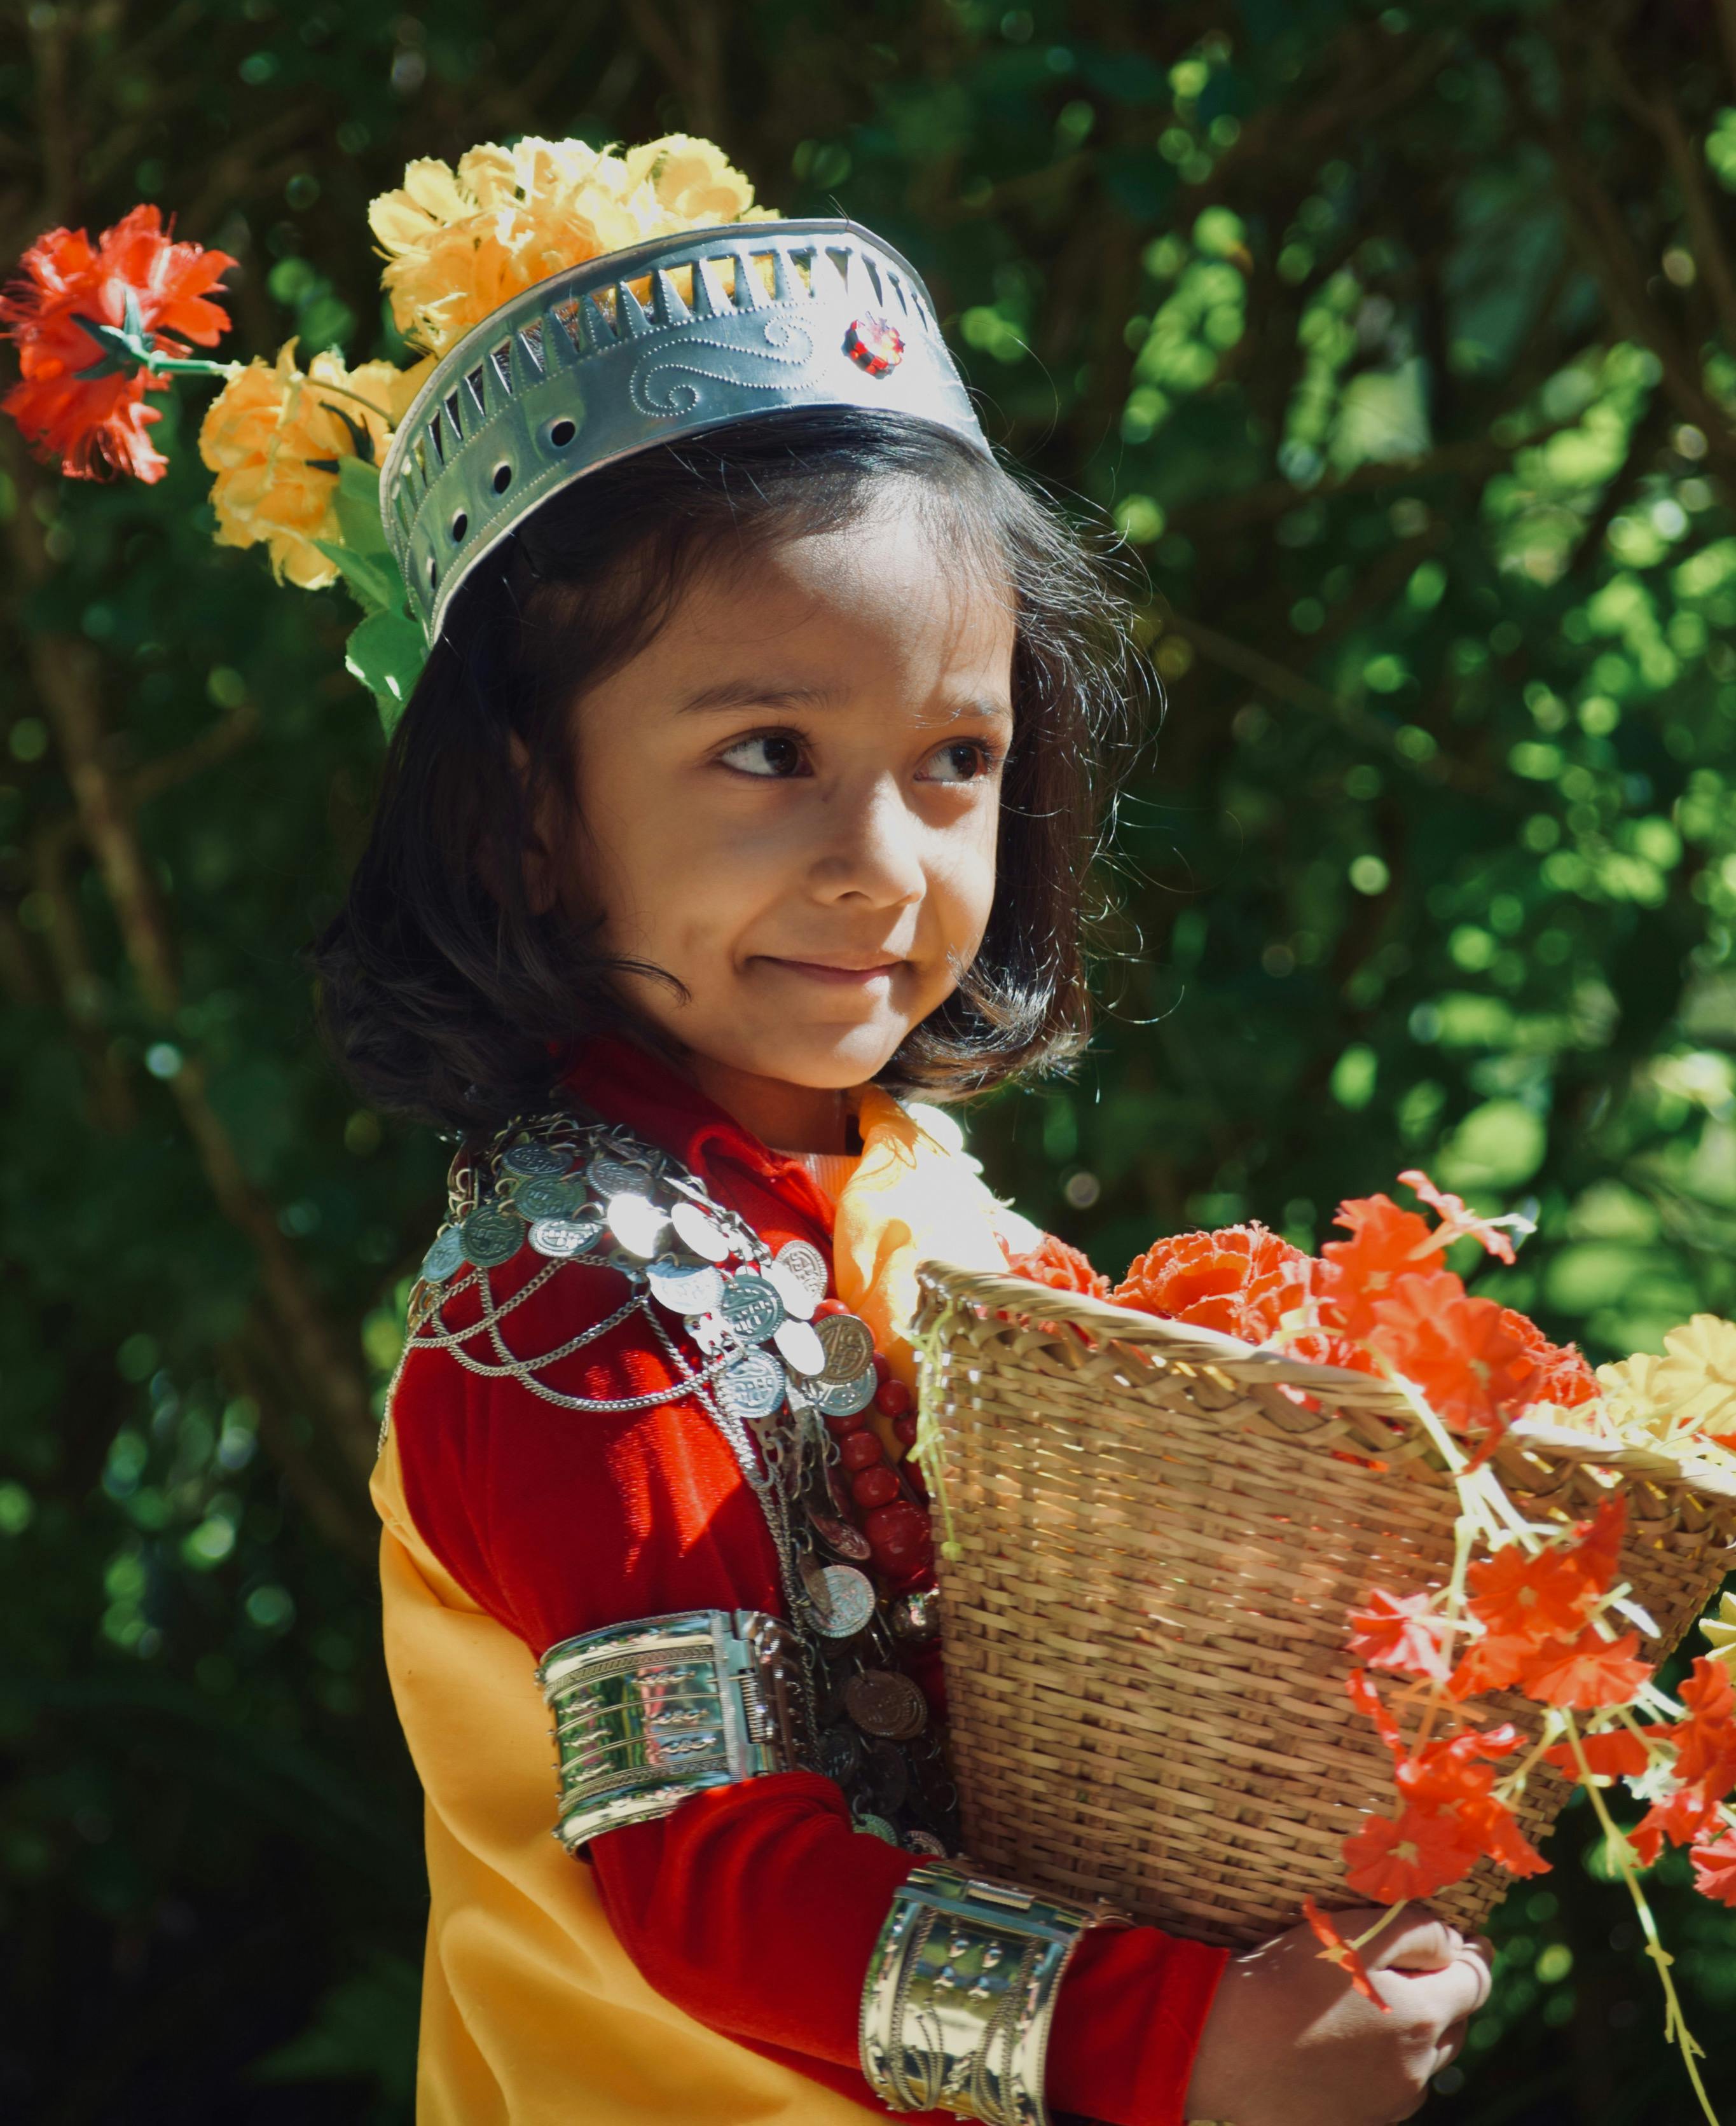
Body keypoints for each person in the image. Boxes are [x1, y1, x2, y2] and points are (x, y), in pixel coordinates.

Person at [315, 158, 1491, 2126]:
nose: (883, 869)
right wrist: (1169, 2044)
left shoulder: (925, 1217)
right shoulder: (578, 1321)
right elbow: (703, 1878)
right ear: (526, 812)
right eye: (767, 755)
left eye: (953, 761)